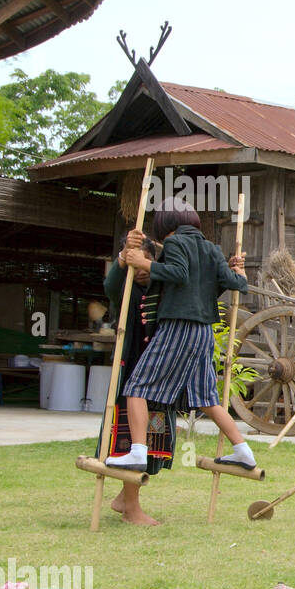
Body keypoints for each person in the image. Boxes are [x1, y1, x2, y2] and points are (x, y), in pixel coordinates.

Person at [104, 197, 256, 473]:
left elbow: (178, 273)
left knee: (136, 388)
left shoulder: (174, 242)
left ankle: (137, 452)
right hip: (203, 333)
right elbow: (237, 284)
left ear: (166, 228)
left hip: (179, 326)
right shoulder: (211, 249)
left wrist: (144, 262)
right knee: (207, 398)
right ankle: (243, 451)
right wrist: (240, 270)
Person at [100, 232, 177, 525]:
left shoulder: (163, 287)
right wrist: (123, 259)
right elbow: (110, 286)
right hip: (130, 373)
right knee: (131, 441)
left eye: (146, 261)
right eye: (135, 261)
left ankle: (124, 498)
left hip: (157, 376)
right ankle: (132, 507)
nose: (141, 269)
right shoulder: (125, 286)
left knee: (150, 441)